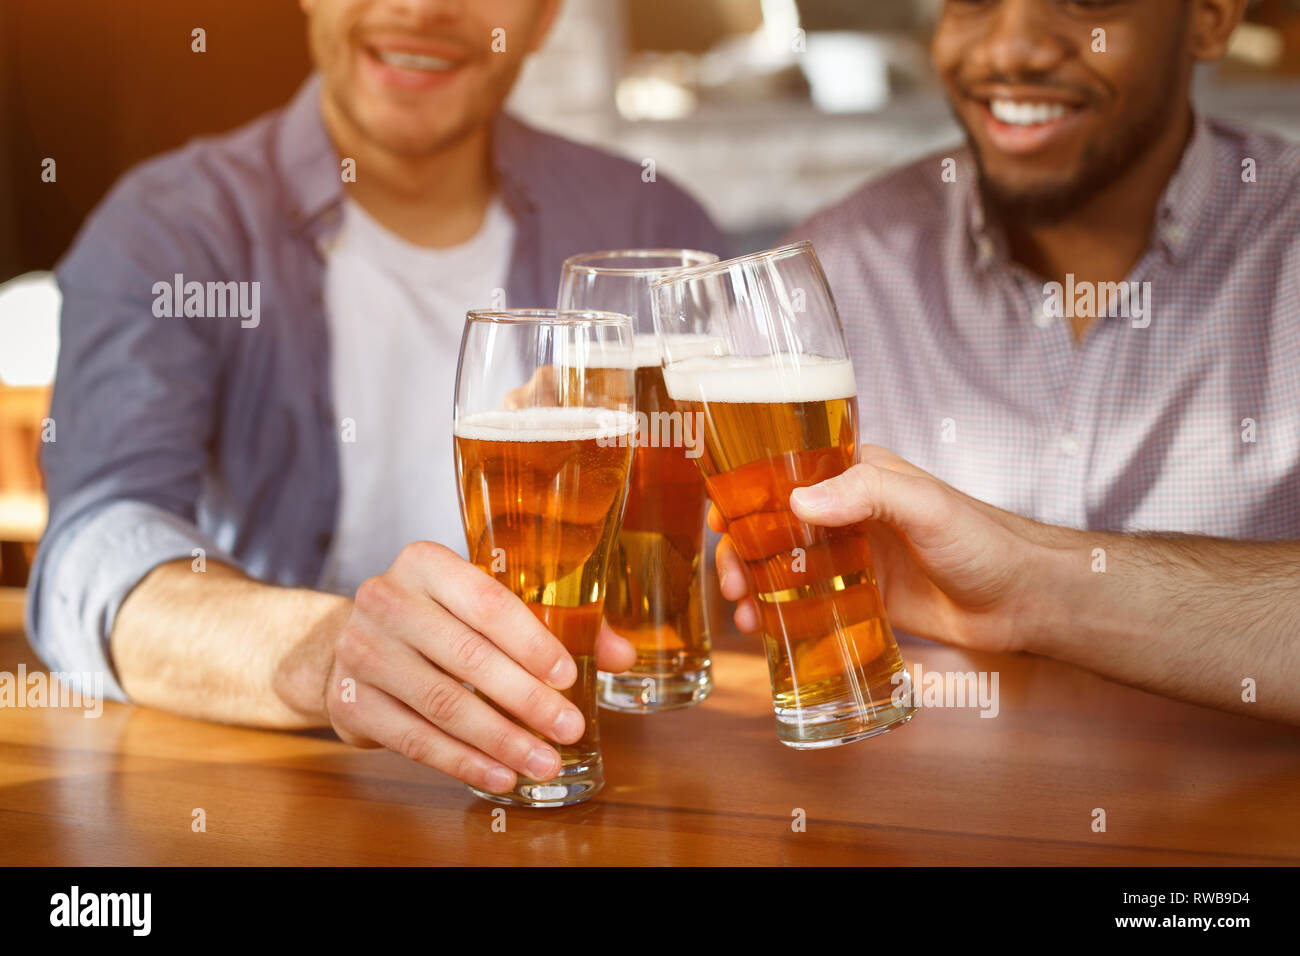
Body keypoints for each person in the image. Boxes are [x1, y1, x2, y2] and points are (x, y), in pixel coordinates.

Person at [27, 0, 726, 796]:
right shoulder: (170, 230)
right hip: (288, 795)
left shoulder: (648, 218)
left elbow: (721, 547)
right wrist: (329, 653)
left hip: (603, 780)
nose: (423, 8)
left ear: (544, 18)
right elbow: (93, 555)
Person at [718, 0, 1300, 722]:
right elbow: (689, 593)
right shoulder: (838, 268)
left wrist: (1037, 584)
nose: (1013, 49)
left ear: (1211, 19)